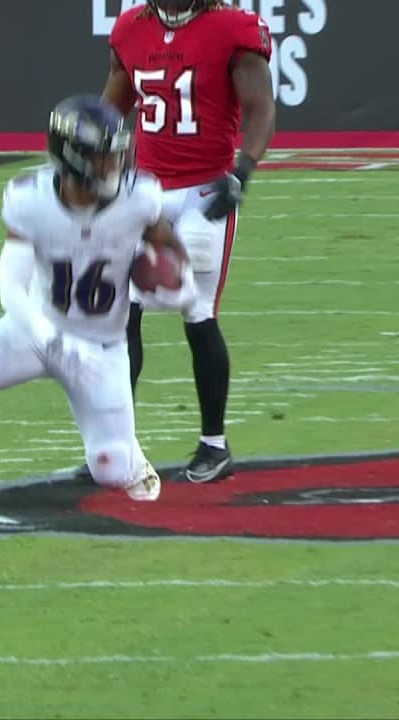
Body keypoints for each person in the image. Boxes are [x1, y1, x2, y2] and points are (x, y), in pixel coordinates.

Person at [0, 95, 194, 511]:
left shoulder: (139, 197)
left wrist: (175, 286)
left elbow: (170, 253)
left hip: (101, 345)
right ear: (74, 159)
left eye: (117, 156)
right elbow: (11, 287)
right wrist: (50, 338)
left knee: (110, 471)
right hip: (38, 327)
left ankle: (134, 461)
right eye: (104, 158)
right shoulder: (31, 198)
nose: (115, 166)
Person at [99, 0, 277, 484]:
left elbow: (261, 107)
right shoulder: (132, 28)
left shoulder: (232, 29)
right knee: (122, 316)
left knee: (197, 314)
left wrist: (242, 172)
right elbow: (110, 111)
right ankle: (116, 444)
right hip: (146, 192)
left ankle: (214, 444)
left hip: (205, 191)